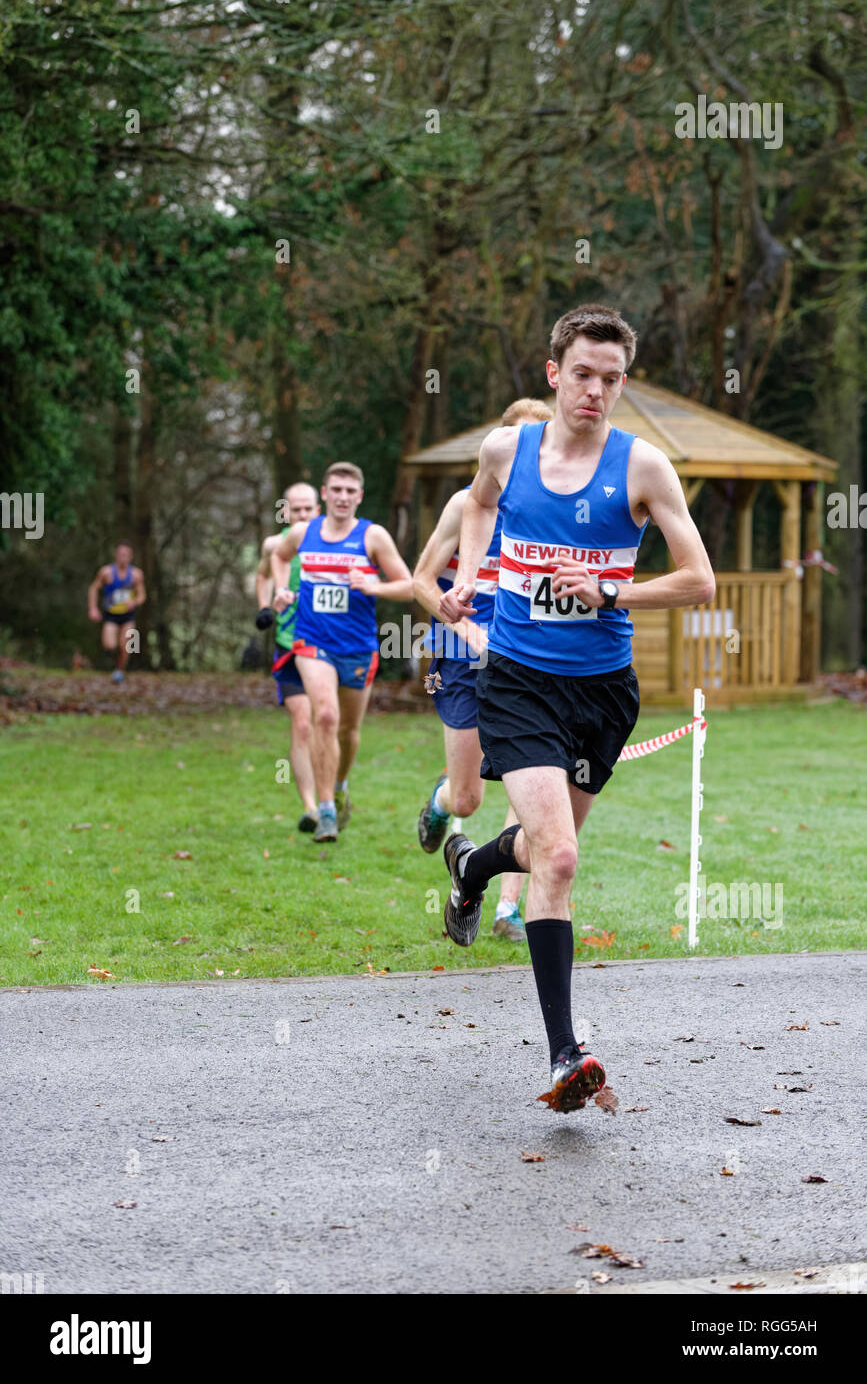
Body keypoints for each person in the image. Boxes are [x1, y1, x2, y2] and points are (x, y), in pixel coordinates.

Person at [438, 304, 715, 1112]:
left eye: (612, 378)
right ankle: (566, 1054)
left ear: (623, 384)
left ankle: (472, 865)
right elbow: (479, 503)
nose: (595, 390)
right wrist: (470, 574)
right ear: (554, 373)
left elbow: (699, 580)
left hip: (604, 692)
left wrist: (611, 590)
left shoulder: (642, 469)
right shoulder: (506, 448)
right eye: (583, 374)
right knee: (558, 860)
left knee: (538, 850)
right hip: (519, 682)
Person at [412, 398, 553, 943]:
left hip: (524, 664)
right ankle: (441, 802)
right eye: (514, 443)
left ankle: (507, 909)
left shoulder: (551, 515)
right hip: (460, 661)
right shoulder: (462, 505)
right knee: (471, 797)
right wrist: (452, 613)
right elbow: (421, 581)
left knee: (531, 784)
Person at [272, 462, 413, 842]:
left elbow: (409, 586)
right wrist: (282, 591)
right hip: (312, 643)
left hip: (358, 647)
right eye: (336, 489)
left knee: (349, 731)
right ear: (324, 493)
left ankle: (339, 784)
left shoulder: (373, 537)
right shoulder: (304, 532)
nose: (343, 497)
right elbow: (279, 555)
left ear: (360, 497)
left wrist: (373, 585)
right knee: (326, 718)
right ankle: (326, 811)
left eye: (350, 491)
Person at [255, 482, 321, 832]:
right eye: (295, 510)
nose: (301, 516)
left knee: (328, 722)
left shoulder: (332, 544)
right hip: (288, 643)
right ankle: (311, 807)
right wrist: (264, 608)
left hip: (326, 645)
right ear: (285, 511)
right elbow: (263, 575)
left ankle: (332, 793)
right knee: (302, 721)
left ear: (317, 508)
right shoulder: (273, 545)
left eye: (307, 510)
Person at [87, 541, 146, 684]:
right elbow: (93, 588)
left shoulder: (136, 574)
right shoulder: (106, 572)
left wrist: (134, 602)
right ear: (116, 555)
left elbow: (142, 595)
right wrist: (93, 608)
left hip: (128, 616)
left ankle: (119, 672)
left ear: (130, 557)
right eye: (120, 555)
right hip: (111, 616)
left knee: (127, 645)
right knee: (110, 645)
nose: (123, 558)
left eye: (126, 555)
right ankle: (113, 660)